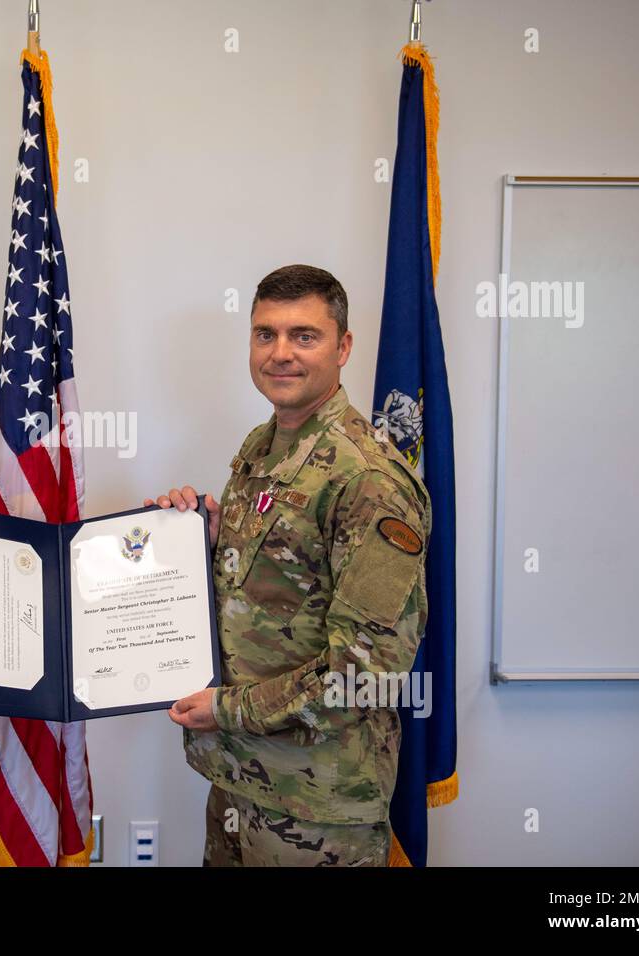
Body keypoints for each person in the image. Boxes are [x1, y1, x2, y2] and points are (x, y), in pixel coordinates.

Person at [147, 264, 431, 866]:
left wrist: (225, 707)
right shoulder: (265, 443)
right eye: (265, 334)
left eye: (304, 335)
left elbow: (367, 669)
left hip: (319, 801)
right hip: (238, 777)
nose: (280, 353)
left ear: (343, 346)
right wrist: (201, 538)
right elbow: (277, 573)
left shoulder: (368, 480)